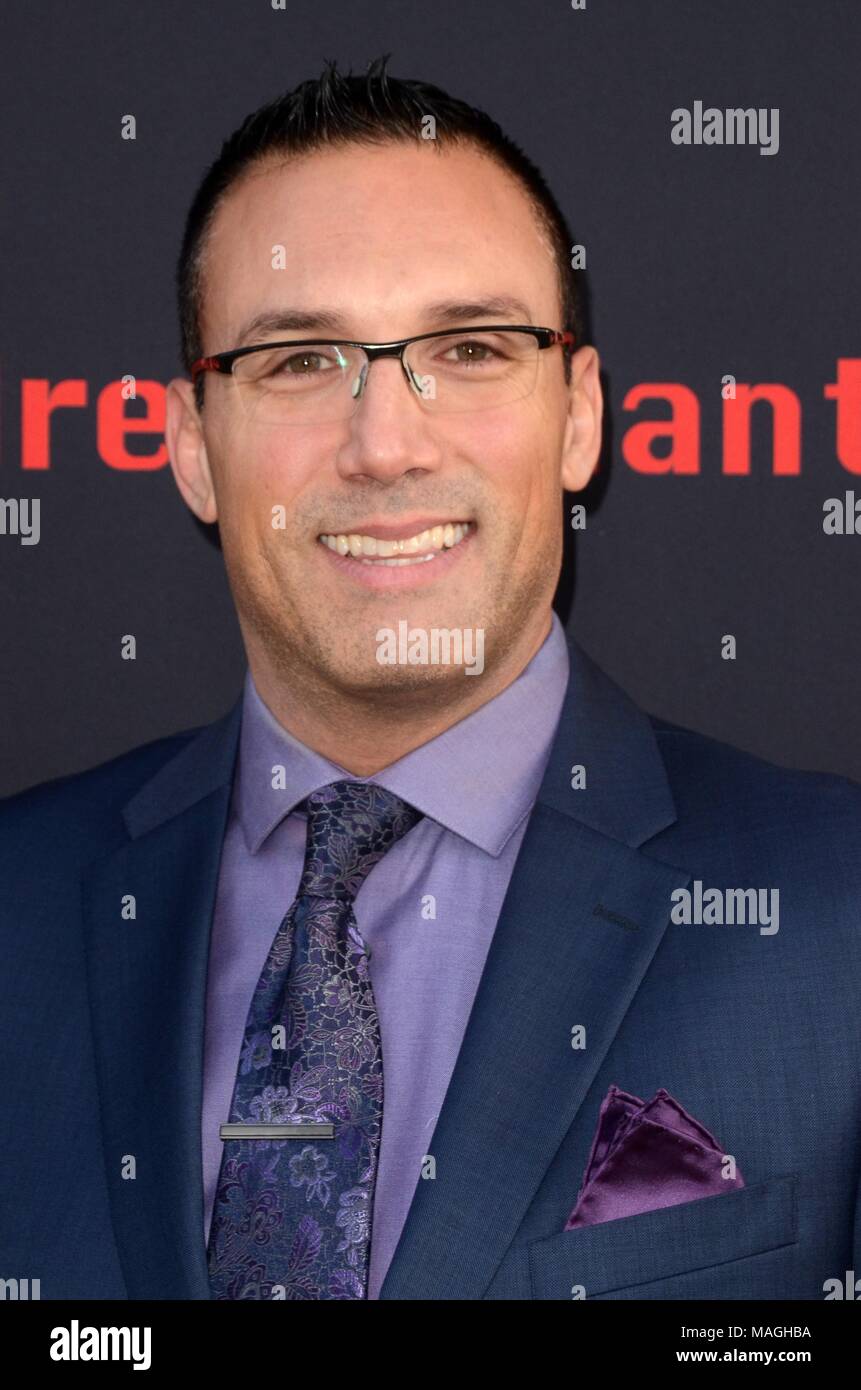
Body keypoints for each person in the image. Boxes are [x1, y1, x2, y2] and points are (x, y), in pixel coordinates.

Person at [1, 56, 859, 1302]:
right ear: (191, 447)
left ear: (580, 418)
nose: (386, 442)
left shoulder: (835, 919)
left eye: (467, 347)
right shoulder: (20, 908)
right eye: (299, 361)